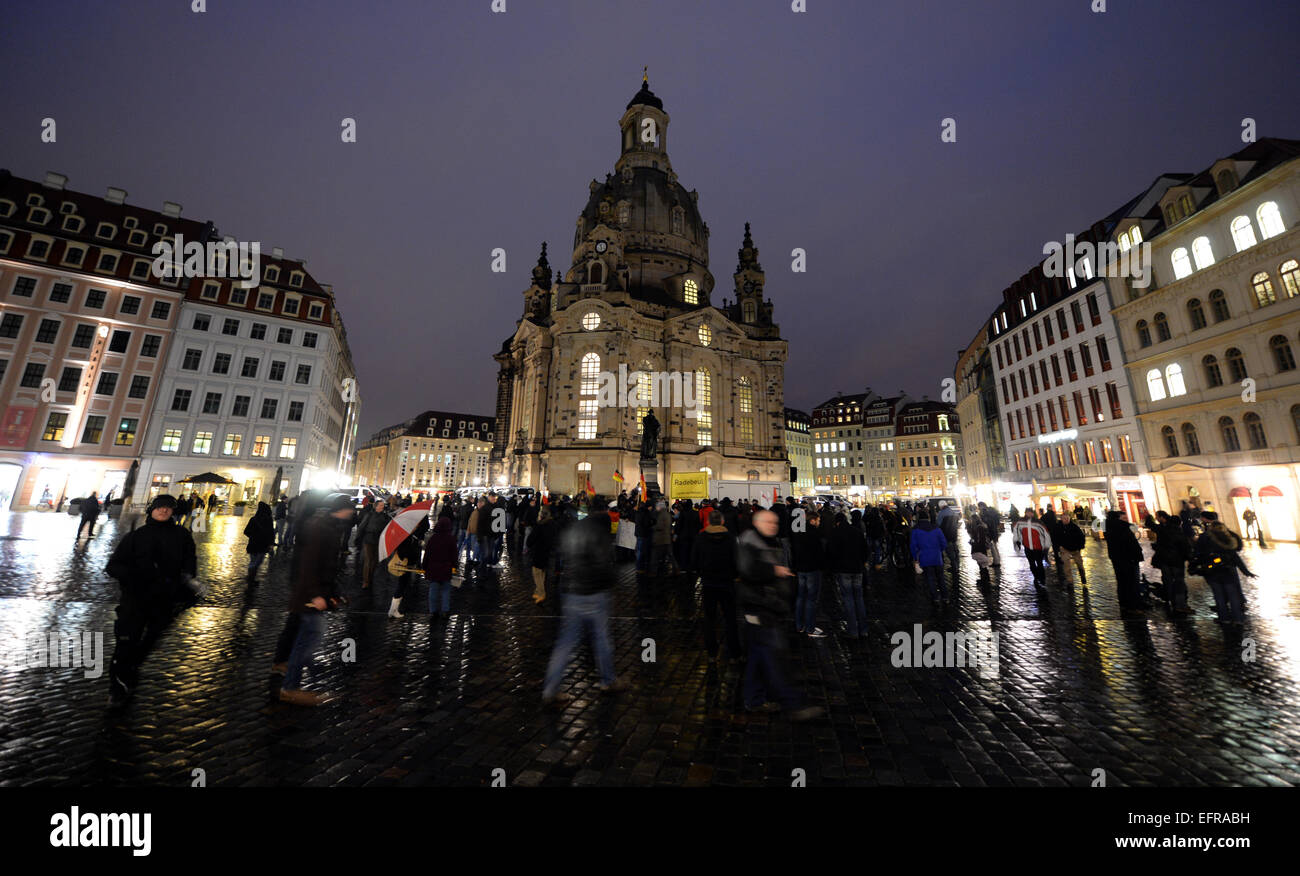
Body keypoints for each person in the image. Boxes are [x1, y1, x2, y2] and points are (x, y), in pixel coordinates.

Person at [105, 495, 198, 703]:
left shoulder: (182, 535)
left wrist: (187, 583)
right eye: (159, 507)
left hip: (165, 600)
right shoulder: (136, 536)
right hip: (135, 599)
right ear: (152, 510)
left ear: (173, 511)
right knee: (126, 642)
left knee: (150, 639)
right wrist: (135, 576)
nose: (163, 511)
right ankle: (118, 686)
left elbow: (190, 562)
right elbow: (113, 566)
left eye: (168, 508)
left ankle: (131, 668)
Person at [542, 496, 629, 705]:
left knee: (565, 643)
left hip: (570, 591)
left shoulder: (573, 529)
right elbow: (604, 564)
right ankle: (608, 680)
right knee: (601, 639)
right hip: (594, 593)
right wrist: (611, 583)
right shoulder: (600, 533)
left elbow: (562, 555)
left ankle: (550, 689)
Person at [737, 510, 822, 720]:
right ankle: (793, 703)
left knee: (759, 657)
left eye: (775, 522)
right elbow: (748, 569)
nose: (773, 525)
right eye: (768, 521)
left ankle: (753, 699)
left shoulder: (769, 541)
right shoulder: (750, 542)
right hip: (759, 608)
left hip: (767, 607)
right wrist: (774, 571)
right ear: (757, 522)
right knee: (775, 660)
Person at [276, 494, 353, 705]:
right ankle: (292, 686)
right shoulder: (320, 528)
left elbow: (328, 567)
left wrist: (335, 593)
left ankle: (295, 683)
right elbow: (309, 565)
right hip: (309, 597)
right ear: (340, 510)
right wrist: (315, 594)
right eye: (349, 509)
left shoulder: (329, 526)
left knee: (306, 640)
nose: (352, 513)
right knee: (309, 640)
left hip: (313, 595)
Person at [692, 510, 741, 663]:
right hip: (727, 583)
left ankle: (712, 653)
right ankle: (734, 653)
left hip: (709, 583)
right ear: (722, 521)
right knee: (730, 619)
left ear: (708, 521)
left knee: (709, 619)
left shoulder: (701, 538)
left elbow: (694, 560)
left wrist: (702, 572)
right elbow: (737, 560)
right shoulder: (731, 538)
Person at [1193, 511, 1256, 626]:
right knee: (1233, 596)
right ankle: (1238, 619)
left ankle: (1224, 618)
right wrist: (1246, 572)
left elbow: (1198, 554)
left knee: (1219, 596)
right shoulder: (1227, 539)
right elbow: (1235, 557)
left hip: (1212, 571)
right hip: (1228, 570)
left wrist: (1196, 567)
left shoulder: (1205, 538)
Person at [826, 512, 869, 638]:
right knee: (859, 599)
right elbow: (865, 550)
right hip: (857, 569)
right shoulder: (857, 531)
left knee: (848, 599)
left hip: (843, 570)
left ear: (837, 522)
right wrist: (862, 563)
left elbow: (830, 552)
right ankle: (864, 629)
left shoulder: (835, 533)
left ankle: (853, 630)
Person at [789, 508, 827, 638]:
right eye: (818, 520)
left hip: (800, 568)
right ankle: (810, 628)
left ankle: (799, 626)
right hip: (812, 568)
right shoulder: (815, 534)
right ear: (812, 521)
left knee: (800, 597)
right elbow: (819, 553)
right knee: (811, 599)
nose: (819, 522)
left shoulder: (798, 532)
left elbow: (793, 551)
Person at [1152, 510, 1192, 614]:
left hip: (1164, 562)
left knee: (1168, 582)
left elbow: (1157, 546)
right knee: (1179, 583)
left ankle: (1172, 603)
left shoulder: (1162, 532)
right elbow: (1185, 548)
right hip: (1176, 562)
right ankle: (1180, 605)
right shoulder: (1178, 533)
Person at [388, 515, 428, 618]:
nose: (417, 526)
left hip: (407, 563)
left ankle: (393, 609)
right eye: (415, 525)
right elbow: (405, 551)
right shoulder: (405, 537)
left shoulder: (410, 535)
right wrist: (416, 547)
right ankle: (393, 610)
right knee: (401, 585)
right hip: (404, 564)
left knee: (403, 585)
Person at [1106, 510, 1146, 610]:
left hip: (1117, 558)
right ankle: (1134, 606)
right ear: (1117, 518)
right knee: (1131, 583)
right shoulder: (1123, 527)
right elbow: (1131, 542)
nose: (1125, 520)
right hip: (1129, 559)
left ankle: (1125, 604)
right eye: (1123, 518)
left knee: (1122, 582)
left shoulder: (1108, 527)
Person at [423, 514, 458, 623]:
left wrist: (425, 566)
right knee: (446, 590)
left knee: (433, 590)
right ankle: (445, 610)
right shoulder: (451, 539)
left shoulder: (433, 538)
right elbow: (454, 555)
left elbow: (427, 554)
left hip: (433, 569)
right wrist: (454, 566)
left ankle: (433, 611)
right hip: (446, 568)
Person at [910, 511, 949, 608]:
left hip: (924, 558)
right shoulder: (936, 529)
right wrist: (938, 551)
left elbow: (913, 546)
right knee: (941, 578)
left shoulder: (915, 530)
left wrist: (915, 558)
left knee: (930, 578)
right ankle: (945, 597)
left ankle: (935, 598)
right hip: (937, 557)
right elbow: (944, 543)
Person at [1014, 509, 1053, 590]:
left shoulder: (1038, 522)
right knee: (1032, 564)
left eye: (1030, 512)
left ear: (1033, 513)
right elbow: (1016, 531)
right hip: (1027, 547)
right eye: (1027, 512)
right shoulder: (1021, 522)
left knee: (1039, 563)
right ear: (1025, 513)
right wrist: (1017, 540)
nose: (1029, 514)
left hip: (1038, 547)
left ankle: (1042, 579)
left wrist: (1046, 545)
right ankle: (1036, 576)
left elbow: (1045, 533)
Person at [526, 505, 557, 604]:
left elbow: (530, 541)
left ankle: (541, 593)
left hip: (539, 552)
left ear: (541, 516)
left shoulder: (539, 526)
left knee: (536, 572)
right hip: (548, 552)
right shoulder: (553, 524)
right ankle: (537, 591)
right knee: (542, 572)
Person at [355, 498, 389, 589]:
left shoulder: (385, 516)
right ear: (376, 506)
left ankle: (371, 578)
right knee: (368, 561)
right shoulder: (369, 515)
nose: (383, 507)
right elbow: (361, 527)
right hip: (368, 540)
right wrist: (357, 538)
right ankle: (366, 581)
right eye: (381, 505)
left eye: (383, 505)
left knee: (374, 561)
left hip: (378, 541)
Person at [244, 501, 276, 582]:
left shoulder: (253, 519)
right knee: (258, 562)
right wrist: (271, 543)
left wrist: (253, 537)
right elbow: (271, 533)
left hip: (253, 544)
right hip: (263, 545)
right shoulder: (268, 520)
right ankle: (251, 577)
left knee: (253, 561)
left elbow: (246, 531)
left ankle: (250, 577)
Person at [1058, 514, 1088, 585]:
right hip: (1064, 549)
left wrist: (1080, 547)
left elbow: (1081, 537)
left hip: (1075, 549)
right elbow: (1055, 537)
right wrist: (1059, 546)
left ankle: (1083, 577)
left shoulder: (1075, 527)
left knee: (1080, 564)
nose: (1066, 520)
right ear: (1061, 519)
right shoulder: (1059, 527)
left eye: (1067, 518)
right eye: (1064, 518)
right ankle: (1070, 581)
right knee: (1066, 566)